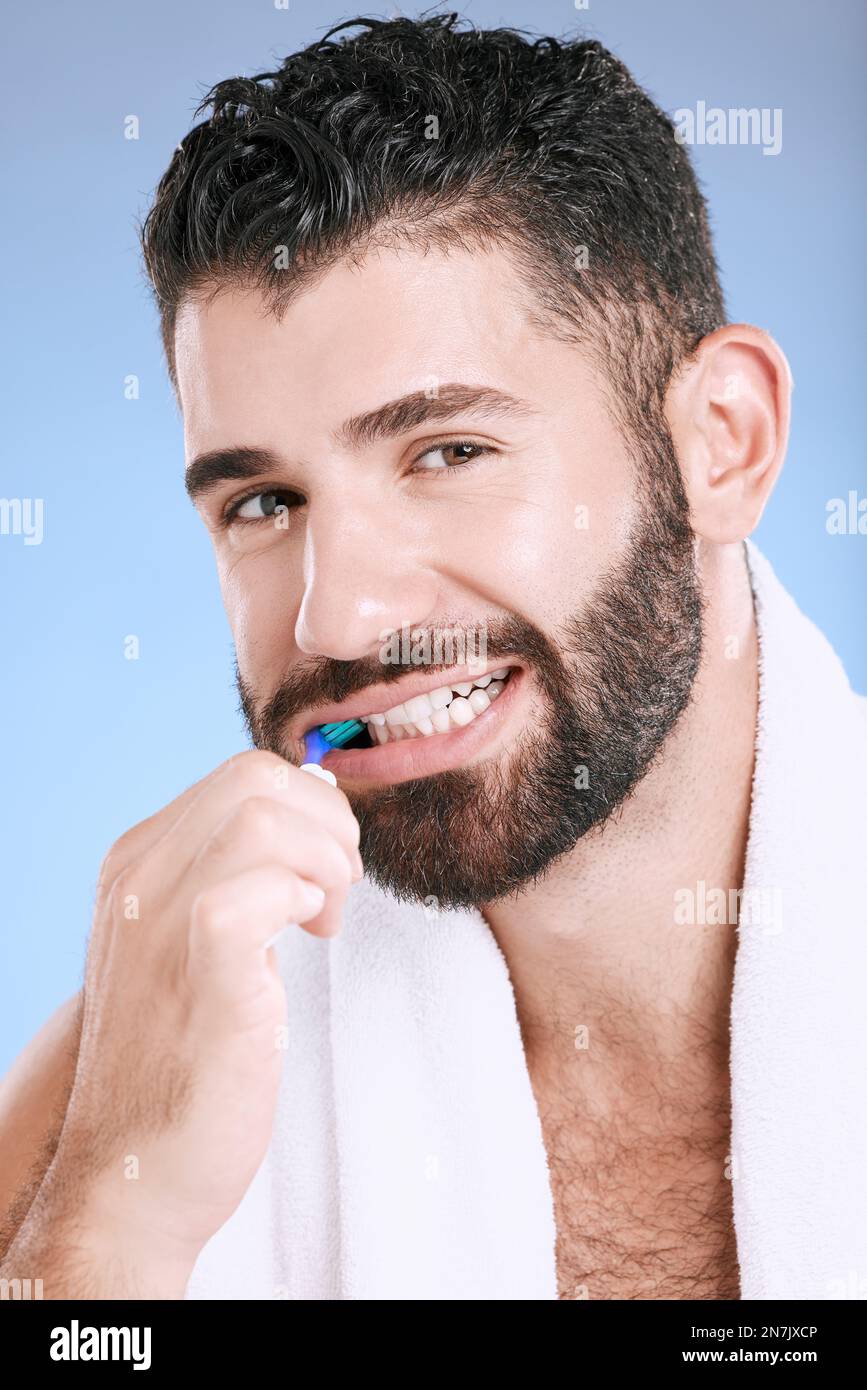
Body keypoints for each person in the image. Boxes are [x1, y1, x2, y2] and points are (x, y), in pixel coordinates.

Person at [1, 14, 865, 1302]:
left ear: (721, 445)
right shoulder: (126, 1078)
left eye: (446, 453)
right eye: (262, 504)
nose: (336, 622)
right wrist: (112, 1229)